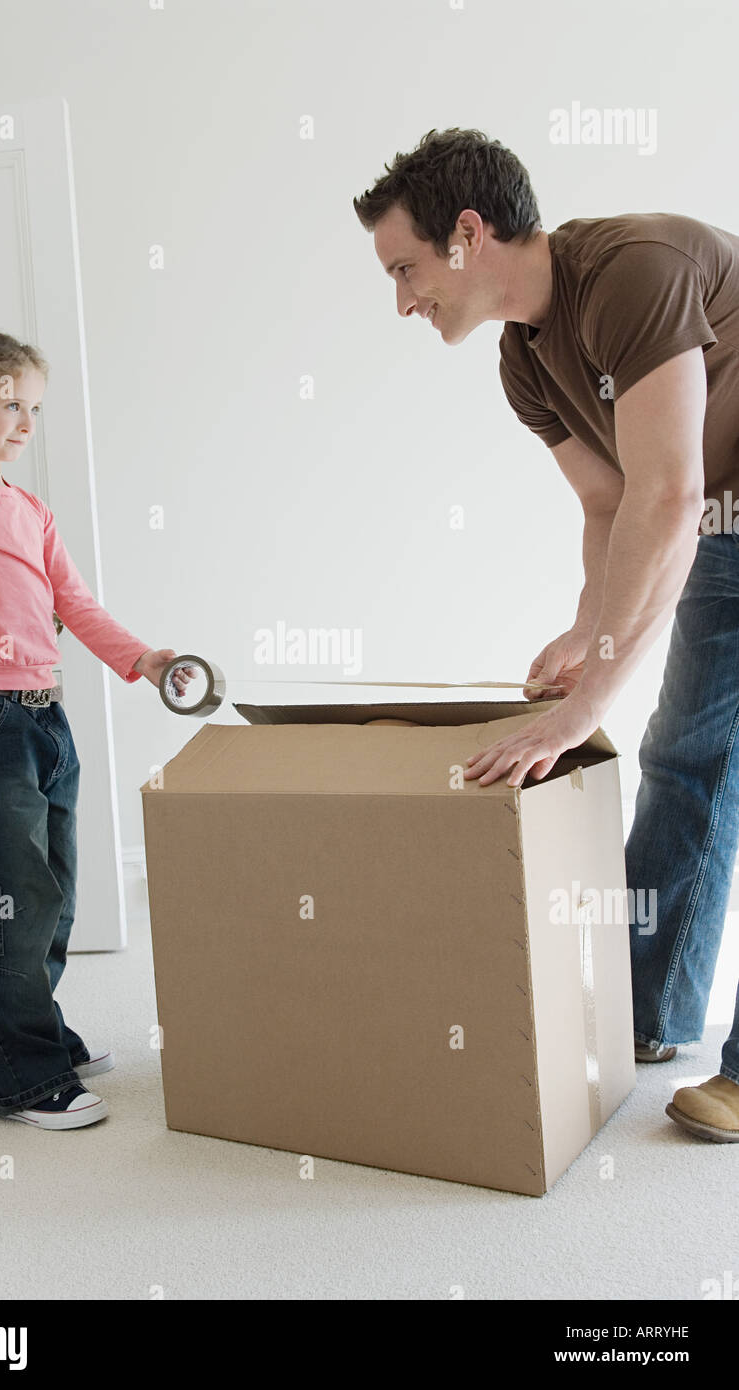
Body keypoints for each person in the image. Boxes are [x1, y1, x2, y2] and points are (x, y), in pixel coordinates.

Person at [353, 127, 739, 1142]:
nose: (401, 301)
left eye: (404, 270)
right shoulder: (522, 362)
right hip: (722, 526)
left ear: (465, 235)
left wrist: (583, 707)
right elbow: (609, 506)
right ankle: (643, 1015)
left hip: (708, 508)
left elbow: (667, 490)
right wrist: (583, 631)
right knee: (684, 757)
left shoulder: (630, 270)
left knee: (658, 738)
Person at [0, 326, 194, 1132]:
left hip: (45, 721)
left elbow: (78, 608)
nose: (26, 421)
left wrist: (147, 660)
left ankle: (38, 1034)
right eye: (10, 403)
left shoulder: (30, 511)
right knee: (6, 899)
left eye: (36, 408)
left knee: (51, 892)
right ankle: (18, 1077)